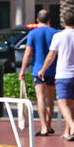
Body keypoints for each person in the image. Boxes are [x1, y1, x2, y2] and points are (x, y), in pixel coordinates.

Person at [37, 9, 74, 141]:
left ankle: (71, 125)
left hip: (63, 74)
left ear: (63, 22)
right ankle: (67, 133)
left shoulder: (58, 36)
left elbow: (51, 55)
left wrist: (42, 70)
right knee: (72, 104)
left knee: (62, 102)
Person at [19, 8, 57, 136]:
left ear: (37, 20)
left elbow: (28, 53)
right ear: (49, 20)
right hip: (53, 69)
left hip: (37, 69)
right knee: (50, 98)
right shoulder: (55, 33)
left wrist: (23, 70)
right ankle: (49, 124)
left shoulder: (33, 34)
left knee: (40, 98)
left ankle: (43, 127)